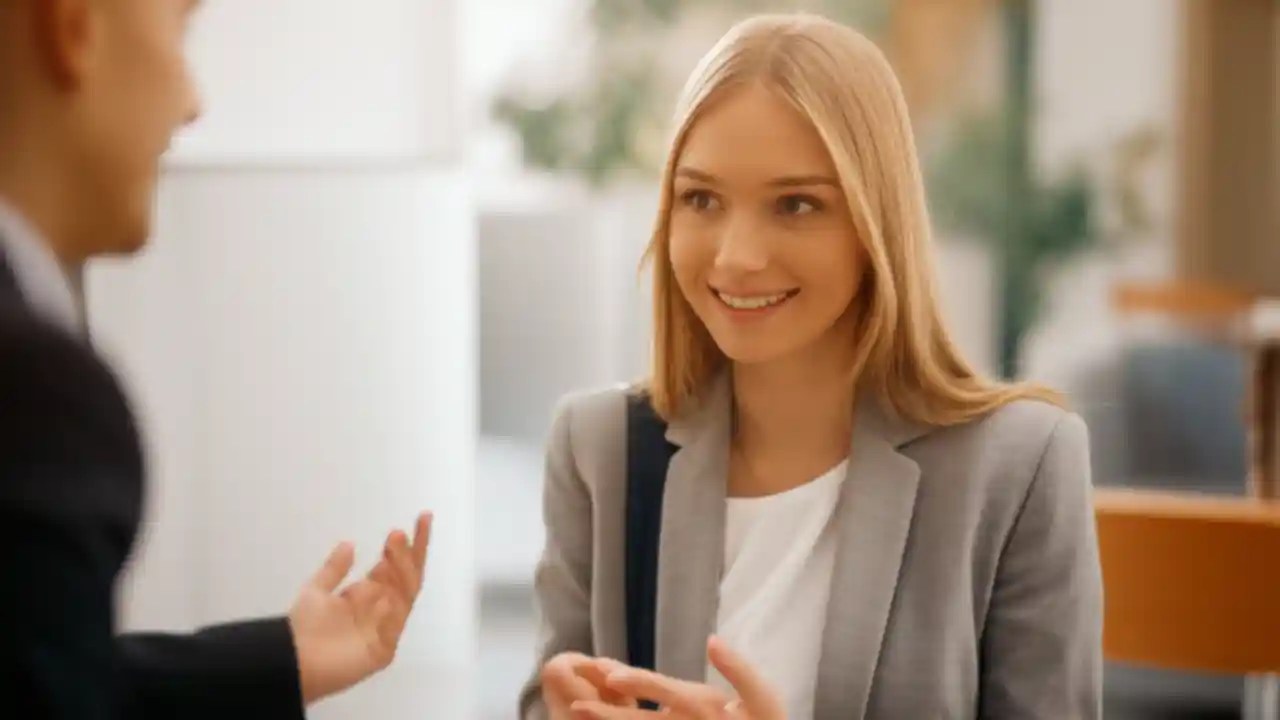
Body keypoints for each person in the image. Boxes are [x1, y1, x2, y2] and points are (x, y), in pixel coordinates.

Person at [521, 13, 1102, 720]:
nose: (736, 256)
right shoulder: (600, 447)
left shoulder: (1022, 465)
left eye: (796, 204)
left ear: (875, 222)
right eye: (700, 198)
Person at [0, 0, 432, 716]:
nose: (192, 102)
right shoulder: (35, 397)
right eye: (181, 28)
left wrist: (282, 659)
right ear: (73, 25)